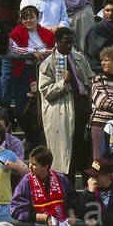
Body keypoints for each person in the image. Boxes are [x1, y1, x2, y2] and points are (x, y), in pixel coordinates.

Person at [10, 145, 75, 226]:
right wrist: (44, 217)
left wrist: (71, 214)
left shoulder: (61, 179)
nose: (29, 166)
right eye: (30, 162)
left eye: (34, 164)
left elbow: (72, 200)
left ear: (45, 167)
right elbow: (16, 210)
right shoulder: (25, 182)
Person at [37, 28, 91, 175]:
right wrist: (62, 82)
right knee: (67, 156)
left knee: (85, 152)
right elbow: (46, 92)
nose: (69, 46)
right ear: (57, 42)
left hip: (82, 107)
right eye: (65, 42)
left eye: (71, 43)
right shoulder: (48, 64)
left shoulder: (80, 58)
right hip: (62, 111)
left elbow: (91, 80)